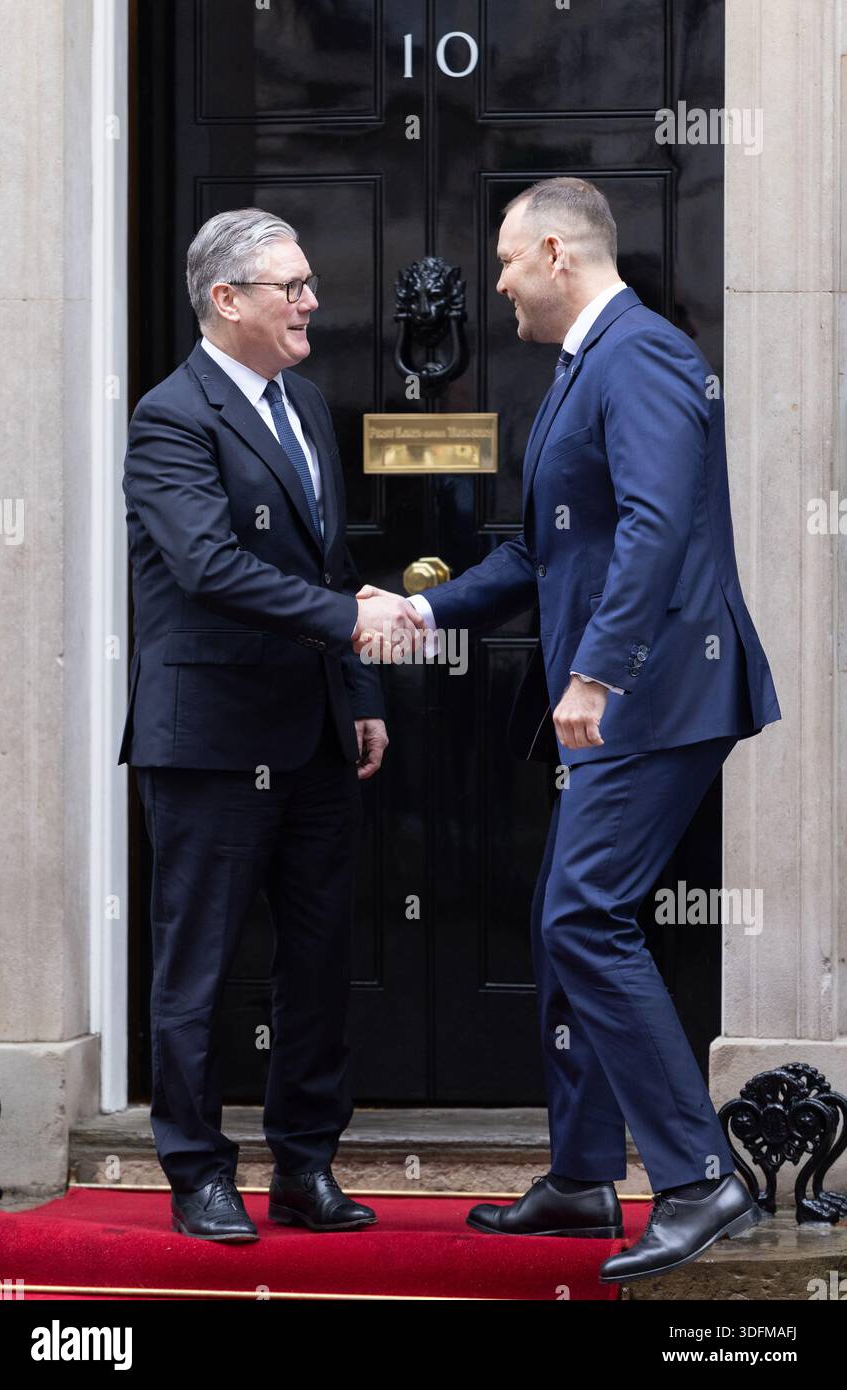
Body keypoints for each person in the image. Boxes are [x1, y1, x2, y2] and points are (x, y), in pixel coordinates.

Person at [356, 177, 780, 1283]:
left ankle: (697, 1178)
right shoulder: (584, 367)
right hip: (635, 694)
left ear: (553, 253)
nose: (492, 282)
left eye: (502, 260)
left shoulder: (633, 354)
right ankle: (586, 1175)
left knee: (584, 916)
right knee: (566, 920)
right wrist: (422, 606)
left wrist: (595, 670)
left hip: (654, 693)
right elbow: (544, 554)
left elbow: (654, 526)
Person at [118, 207, 421, 1241]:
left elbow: (324, 565)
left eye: (306, 283)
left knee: (318, 959)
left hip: (314, 733)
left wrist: (361, 691)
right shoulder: (171, 417)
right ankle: (197, 1170)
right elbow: (208, 568)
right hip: (207, 740)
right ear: (226, 299)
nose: (310, 302)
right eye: (290, 286)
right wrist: (348, 620)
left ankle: (303, 1165)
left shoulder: (303, 402)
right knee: (196, 966)